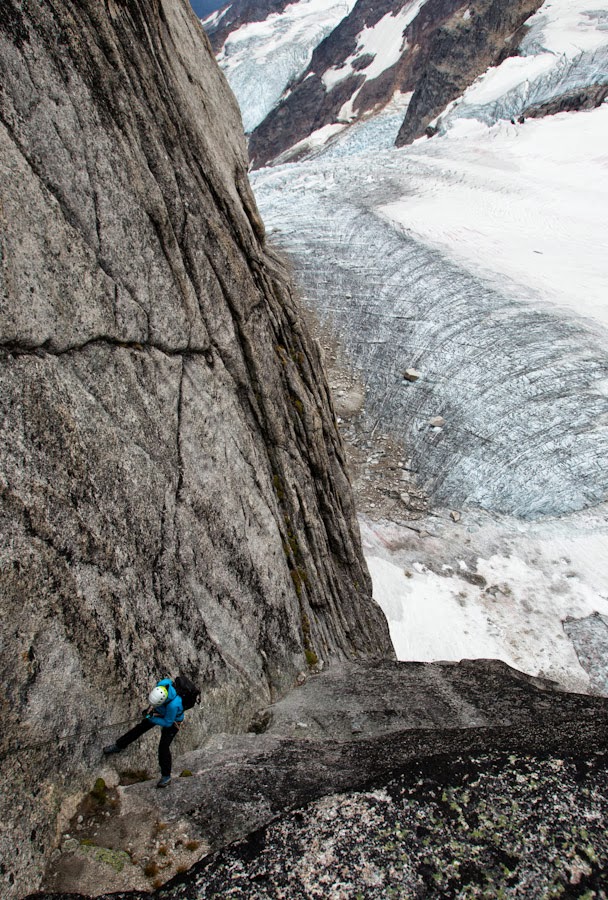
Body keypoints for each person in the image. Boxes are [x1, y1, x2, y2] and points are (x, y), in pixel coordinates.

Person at [103, 678, 184, 788]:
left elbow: (167, 722)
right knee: (139, 728)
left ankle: (166, 776)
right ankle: (119, 745)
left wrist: (151, 718)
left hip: (173, 721)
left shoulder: (173, 705)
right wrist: (150, 712)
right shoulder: (162, 685)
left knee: (163, 747)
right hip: (158, 712)